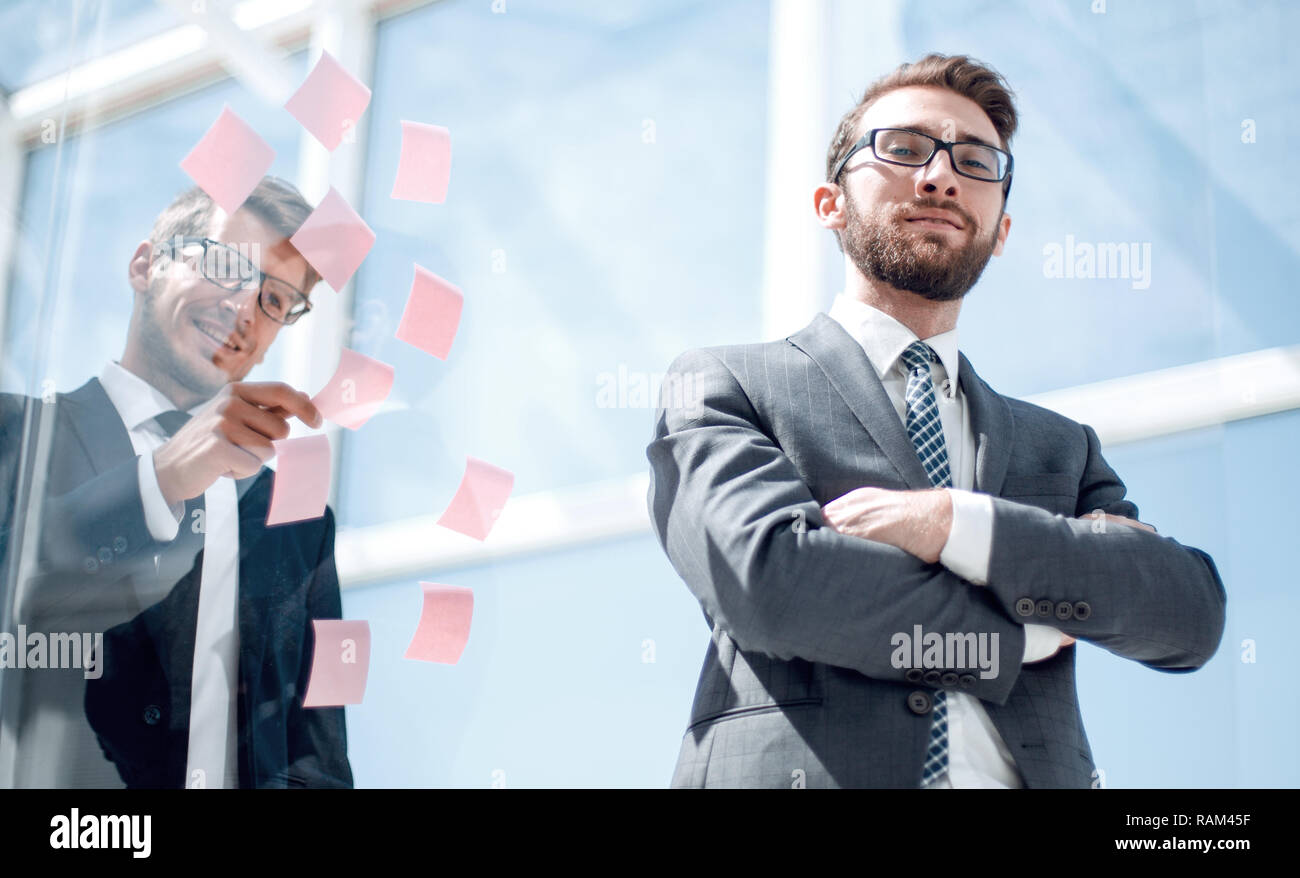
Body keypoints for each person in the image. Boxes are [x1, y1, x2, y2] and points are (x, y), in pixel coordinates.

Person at [645, 54, 1227, 788]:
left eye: (976, 161)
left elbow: (1187, 614)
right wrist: (1014, 638)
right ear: (830, 202)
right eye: (905, 149)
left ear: (1002, 230)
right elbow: (772, 582)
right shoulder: (727, 385)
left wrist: (957, 524)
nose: (941, 177)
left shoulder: (1061, 449)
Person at [0, 176, 352, 788]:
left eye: (274, 300)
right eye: (225, 265)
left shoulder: (298, 521)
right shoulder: (15, 434)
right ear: (144, 265)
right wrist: (159, 482)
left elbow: (317, 762)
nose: (243, 308)